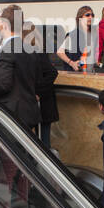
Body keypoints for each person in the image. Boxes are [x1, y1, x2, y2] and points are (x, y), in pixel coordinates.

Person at [0, 6, 42, 208]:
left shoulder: (6, 51)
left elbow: (3, 85)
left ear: (4, 25)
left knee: (7, 158)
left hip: (11, 114)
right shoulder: (28, 48)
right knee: (24, 158)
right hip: (29, 112)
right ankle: (22, 199)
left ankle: (5, 204)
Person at [24, 20, 59, 150]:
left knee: (42, 143)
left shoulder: (37, 53)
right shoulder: (36, 52)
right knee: (42, 141)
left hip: (41, 104)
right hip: (42, 104)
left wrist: (37, 92)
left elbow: (52, 73)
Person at [57, 5, 97, 73]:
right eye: (87, 15)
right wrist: (71, 63)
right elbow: (60, 52)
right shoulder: (73, 35)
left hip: (89, 73)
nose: (91, 17)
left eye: (92, 15)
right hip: (75, 74)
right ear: (80, 18)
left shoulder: (93, 34)